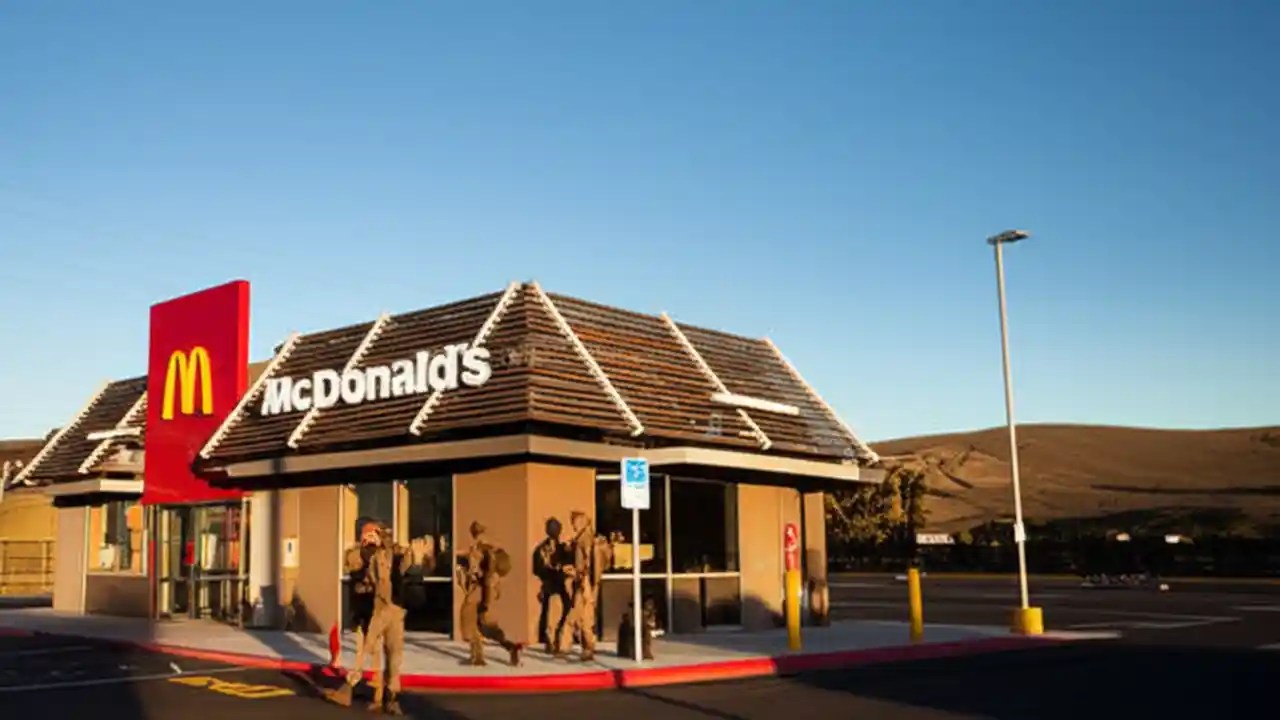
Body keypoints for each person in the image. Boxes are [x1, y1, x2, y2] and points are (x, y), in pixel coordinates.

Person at [326, 523, 431, 714]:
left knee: (393, 655)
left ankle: (390, 697)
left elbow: (412, 571)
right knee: (366, 651)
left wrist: (418, 557)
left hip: (395, 610)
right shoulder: (369, 555)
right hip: (377, 609)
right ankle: (354, 689)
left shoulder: (398, 554)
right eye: (380, 534)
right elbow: (359, 569)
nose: (385, 537)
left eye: (386, 534)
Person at [456, 520, 522, 667]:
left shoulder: (481, 548)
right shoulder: (488, 547)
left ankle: (478, 656)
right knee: (486, 625)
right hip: (488, 589)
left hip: (481, 588)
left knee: (469, 620)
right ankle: (510, 647)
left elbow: (478, 567)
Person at [557, 511, 608, 661]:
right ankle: (585, 648)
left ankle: (566, 646)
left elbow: (589, 564)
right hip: (583, 582)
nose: (573, 525)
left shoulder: (585, 540)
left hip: (584, 583)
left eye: (574, 521)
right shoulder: (583, 539)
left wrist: (579, 575)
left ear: (582, 522)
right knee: (584, 617)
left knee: (575, 615)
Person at [532, 517, 571, 655]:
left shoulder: (563, 548)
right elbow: (537, 569)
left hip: (561, 586)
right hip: (551, 585)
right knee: (552, 616)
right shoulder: (542, 549)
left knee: (563, 614)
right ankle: (552, 642)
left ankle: (558, 642)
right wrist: (551, 569)